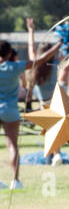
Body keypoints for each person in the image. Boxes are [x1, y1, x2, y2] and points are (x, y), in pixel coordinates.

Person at [0, 39, 44, 189]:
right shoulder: (15, 67)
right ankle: (15, 181)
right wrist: (58, 46)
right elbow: (38, 61)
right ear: (9, 53)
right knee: (13, 146)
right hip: (11, 111)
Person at [22, 18, 62, 109]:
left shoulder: (34, 64)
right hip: (55, 104)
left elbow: (31, 48)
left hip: (43, 103)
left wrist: (31, 30)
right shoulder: (55, 63)